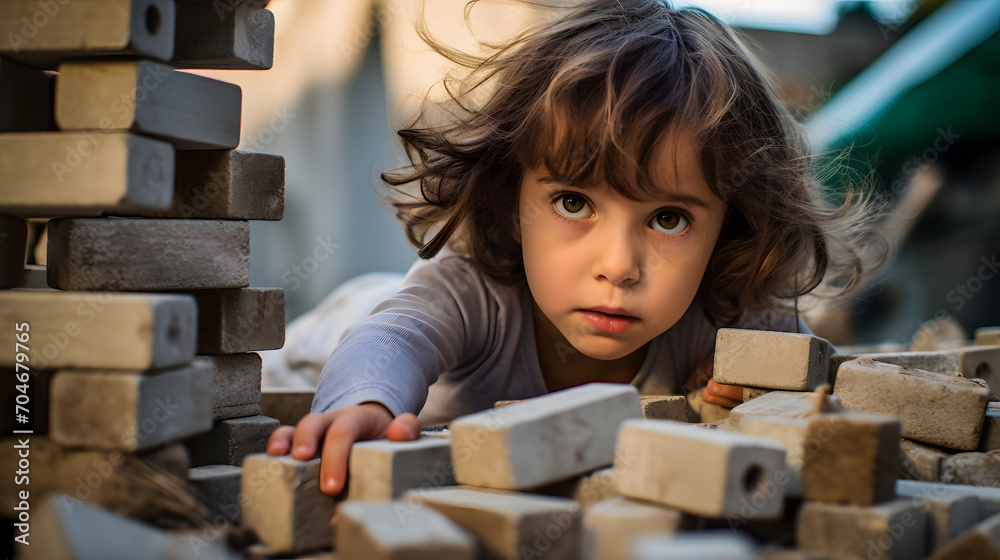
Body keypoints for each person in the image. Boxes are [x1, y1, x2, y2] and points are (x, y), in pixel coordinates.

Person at [266, 0, 882, 497]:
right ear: (511, 201)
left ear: (732, 227)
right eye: (573, 203)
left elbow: (797, 364)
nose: (617, 267)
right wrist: (363, 401)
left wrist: (755, 387)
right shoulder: (469, 290)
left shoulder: (718, 316)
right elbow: (393, 338)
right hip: (335, 336)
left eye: (668, 218)